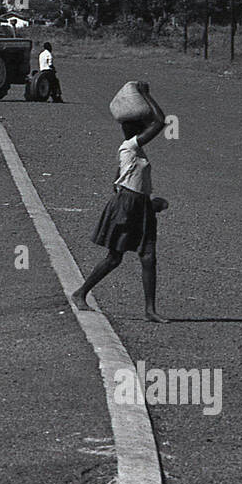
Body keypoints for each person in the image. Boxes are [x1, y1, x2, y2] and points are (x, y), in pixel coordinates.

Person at [71, 81, 168, 322]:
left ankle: (150, 310)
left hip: (137, 205)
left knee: (148, 257)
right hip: (128, 206)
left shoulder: (132, 151)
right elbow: (160, 122)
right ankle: (81, 292)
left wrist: (149, 203)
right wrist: (146, 94)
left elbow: (118, 179)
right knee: (115, 257)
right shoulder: (129, 146)